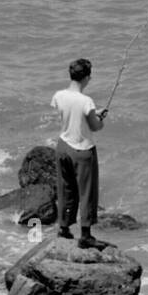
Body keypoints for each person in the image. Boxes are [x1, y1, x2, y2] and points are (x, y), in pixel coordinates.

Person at [50, 58, 111, 249]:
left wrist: (93, 113)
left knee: (66, 189)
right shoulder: (86, 101)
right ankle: (86, 235)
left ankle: (64, 228)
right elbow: (94, 126)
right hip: (82, 150)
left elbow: (71, 115)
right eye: (89, 76)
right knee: (86, 193)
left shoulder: (59, 95)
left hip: (62, 146)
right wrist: (100, 119)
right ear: (85, 77)